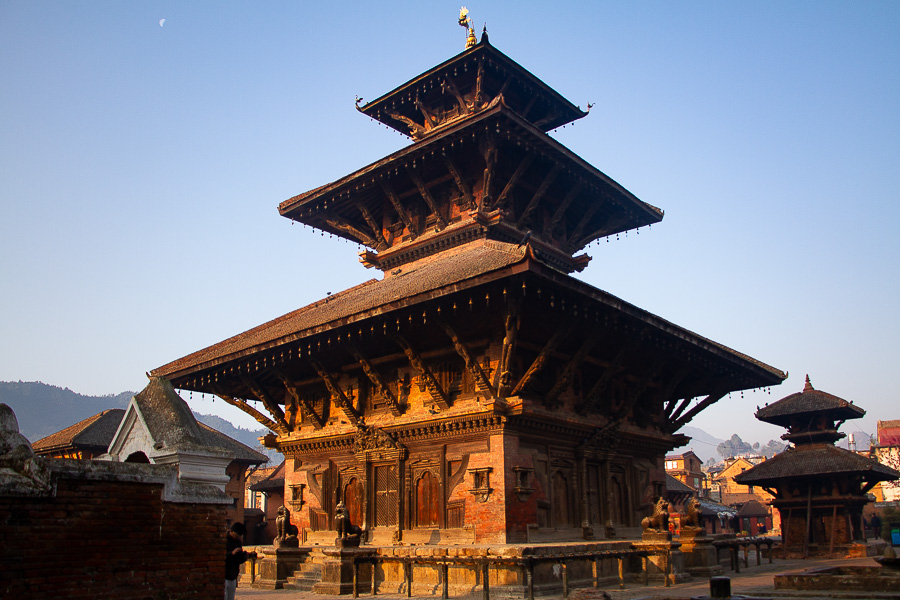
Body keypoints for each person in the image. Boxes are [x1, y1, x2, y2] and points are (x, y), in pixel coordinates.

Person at [225, 522, 250, 600]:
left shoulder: (238, 542)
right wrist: (231, 553)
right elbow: (218, 556)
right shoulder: (224, 540)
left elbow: (239, 559)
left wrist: (245, 556)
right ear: (232, 532)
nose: (238, 537)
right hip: (224, 574)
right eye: (238, 534)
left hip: (233, 574)